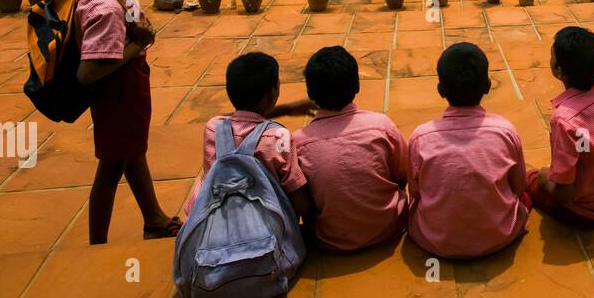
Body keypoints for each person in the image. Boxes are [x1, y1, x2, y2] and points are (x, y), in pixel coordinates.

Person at [74, 0, 178, 244]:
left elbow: (129, 7)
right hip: (118, 94)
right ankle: (97, 242)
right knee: (110, 167)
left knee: (131, 153)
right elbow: (88, 73)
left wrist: (138, 24)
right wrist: (138, 44)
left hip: (127, 90)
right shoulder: (104, 8)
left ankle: (154, 218)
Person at [406, 42, 530, 259]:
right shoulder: (505, 131)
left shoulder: (420, 138)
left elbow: (415, 192)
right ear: (488, 85)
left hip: (434, 241)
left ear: (440, 90)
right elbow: (518, 187)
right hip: (501, 236)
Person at [293, 46, 408, 251]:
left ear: (310, 93)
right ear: (357, 86)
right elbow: (401, 175)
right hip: (389, 228)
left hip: (331, 239)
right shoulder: (381, 125)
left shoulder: (298, 143)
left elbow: (303, 202)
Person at [182, 52, 315, 220]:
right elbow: (301, 204)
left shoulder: (213, 128)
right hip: (264, 231)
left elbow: (233, 118)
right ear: (273, 93)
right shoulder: (279, 137)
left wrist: (285, 109)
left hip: (214, 223)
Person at [528, 27, 594, 226]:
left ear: (559, 70)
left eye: (552, 55)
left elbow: (565, 193)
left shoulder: (564, 120)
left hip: (588, 213)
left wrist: (545, 179)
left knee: (529, 176)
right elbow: (585, 144)